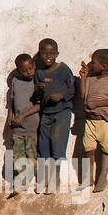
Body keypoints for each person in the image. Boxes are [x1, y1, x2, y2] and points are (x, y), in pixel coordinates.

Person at [34, 38, 75, 194]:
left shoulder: (63, 69)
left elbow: (72, 89)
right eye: (45, 53)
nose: (48, 56)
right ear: (40, 54)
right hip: (46, 113)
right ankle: (43, 180)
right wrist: (38, 89)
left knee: (57, 144)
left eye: (52, 53)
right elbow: (36, 97)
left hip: (61, 112)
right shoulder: (39, 72)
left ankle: (55, 180)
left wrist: (61, 95)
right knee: (43, 146)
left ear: (57, 53)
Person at [78, 49, 108, 193]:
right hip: (90, 121)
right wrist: (83, 78)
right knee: (88, 149)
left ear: (103, 66)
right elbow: (83, 95)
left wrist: (97, 104)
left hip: (104, 121)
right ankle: (88, 178)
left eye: (94, 62)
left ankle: (102, 178)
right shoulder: (90, 80)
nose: (91, 64)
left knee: (106, 150)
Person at [5, 54, 40, 196]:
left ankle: (33, 179)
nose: (29, 72)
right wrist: (10, 117)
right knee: (18, 156)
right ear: (18, 71)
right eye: (25, 70)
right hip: (17, 127)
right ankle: (21, 183)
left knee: (31, 155)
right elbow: (12, 102)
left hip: (32, 126)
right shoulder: (15, 82)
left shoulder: (37, 82)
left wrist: (24, 116)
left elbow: (40, 105)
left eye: (31, 68)